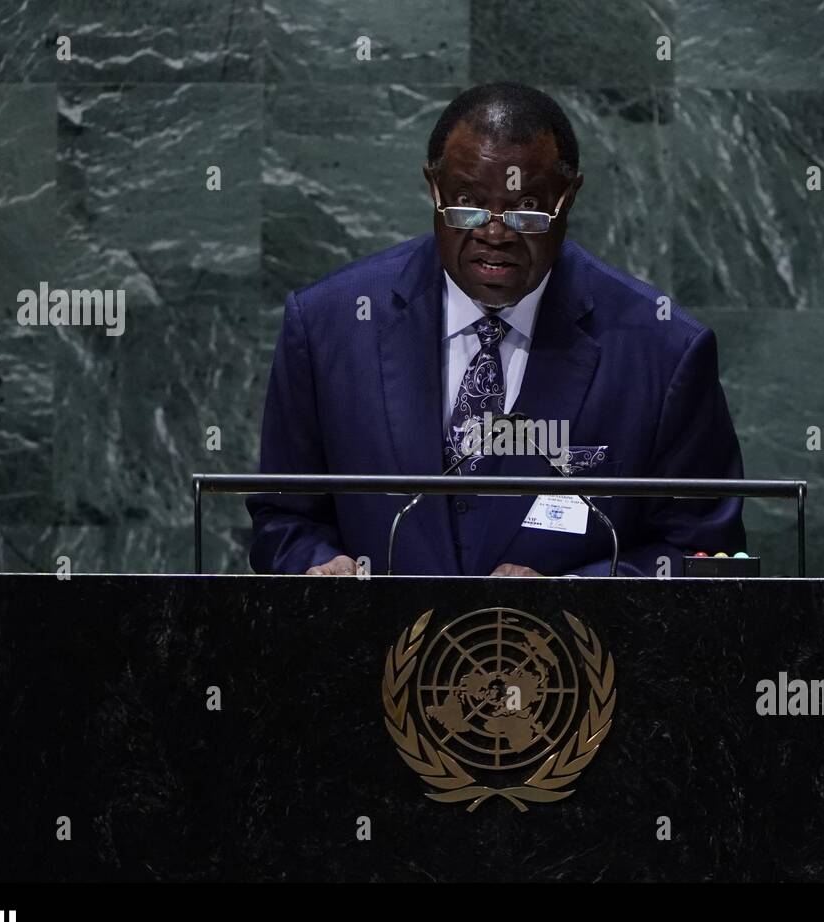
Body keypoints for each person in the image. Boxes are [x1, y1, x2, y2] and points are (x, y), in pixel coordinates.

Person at [248, 82, 745, 577]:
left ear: (568, 197)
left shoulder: (663, 351)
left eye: (527, 208)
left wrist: (577, 597)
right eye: (467, 202)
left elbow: (704, 550)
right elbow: (285, 517)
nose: (495, 233)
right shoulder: (328, 325)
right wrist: (316, 566)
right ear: (433, 187)